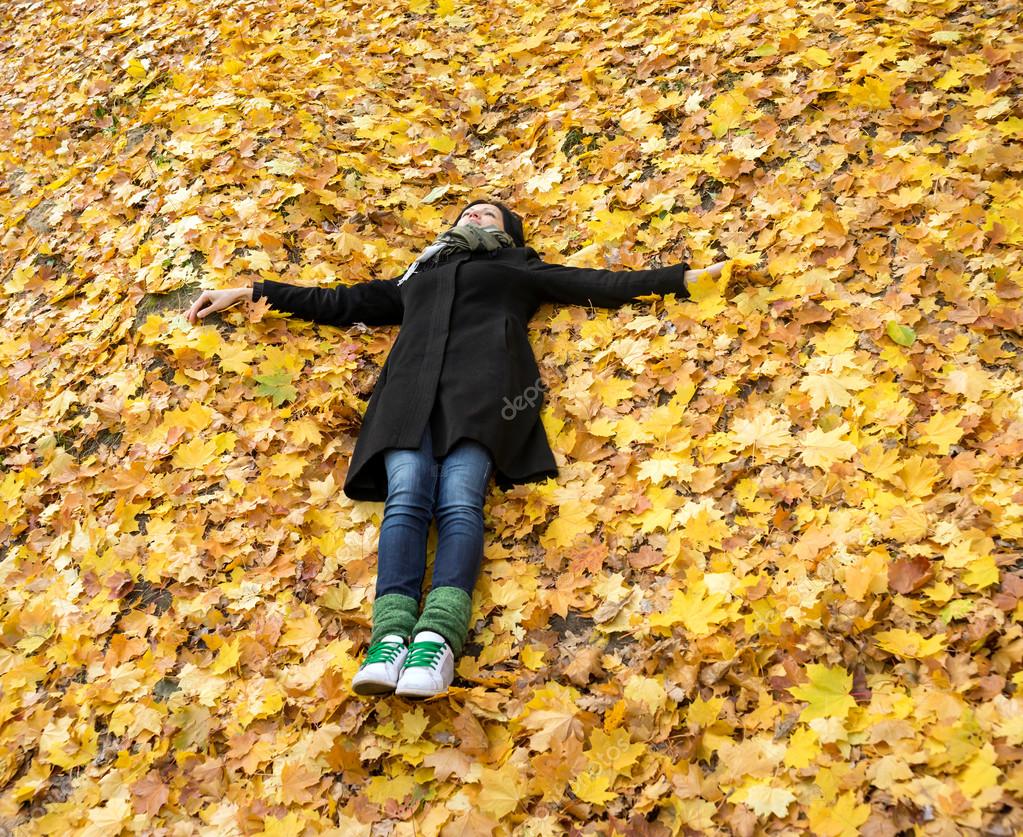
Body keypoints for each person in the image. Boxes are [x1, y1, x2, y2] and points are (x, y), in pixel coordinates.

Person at [187, 198, 725, 699]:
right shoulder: (419, 274)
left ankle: (437, 642)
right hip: (408, 395)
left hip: (485, 388)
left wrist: (683, 280)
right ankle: (389, 639)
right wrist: (248, 291)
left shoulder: (519, 268)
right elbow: (340, 300)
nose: (478, 217)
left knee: (460, 499)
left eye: (490, 215)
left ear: (508, 232)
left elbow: (599, 283)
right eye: (469, 212)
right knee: (405, 498)